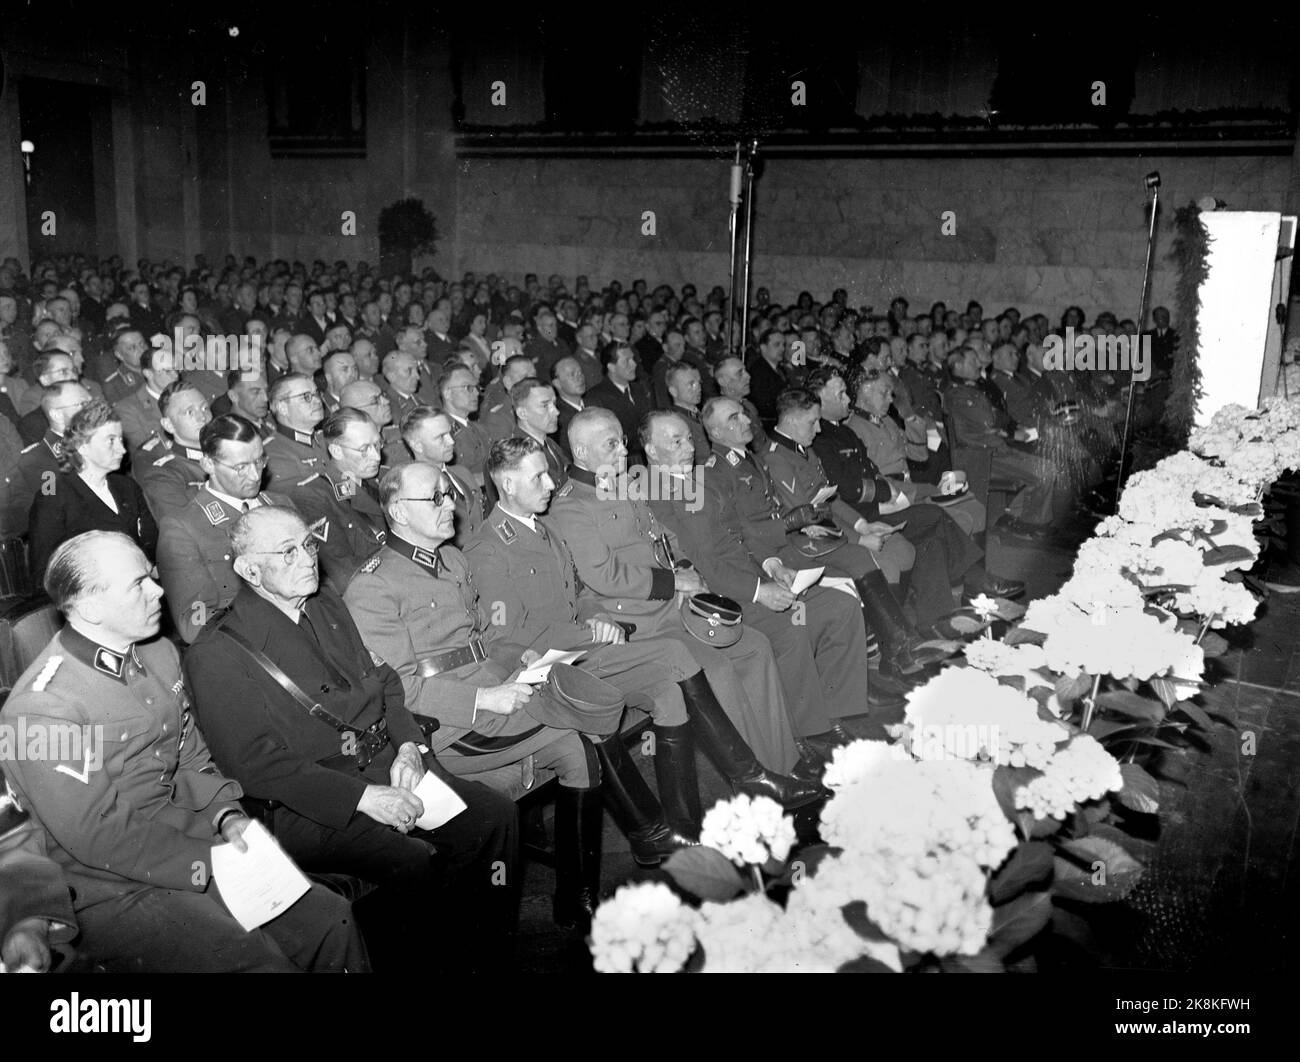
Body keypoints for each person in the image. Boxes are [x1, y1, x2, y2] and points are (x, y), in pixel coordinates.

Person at [1, 531, 367, 971]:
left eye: (152, 576)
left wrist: (226, 814)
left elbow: (190, 755)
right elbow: (99, 836)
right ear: (91, 606)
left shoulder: (156, 653)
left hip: (191, 838)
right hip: (109, 885)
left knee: (331, 920)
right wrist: (208, 862)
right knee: (259, 963)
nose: (158, 591)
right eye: (139, 584)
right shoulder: (42, 708)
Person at [185, 507, 518, 972]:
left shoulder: (325, 604)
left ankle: (482, 955)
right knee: (414, 861)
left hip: (385, 759)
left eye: (308, 544)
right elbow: (255, 766)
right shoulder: (218, 652)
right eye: (287, 552)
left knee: (494, 817)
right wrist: (364, 799)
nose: (306, 559)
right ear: (249, 569)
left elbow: (386, 684)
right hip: (309, 801)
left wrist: (408, 747)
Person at [343, 460, 633, 930]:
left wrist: (519, 667)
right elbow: (397, 691)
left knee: (582, 742)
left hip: (494, 685)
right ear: (397, 511)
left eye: (447, 493)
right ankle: (645, 835)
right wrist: (484, 700)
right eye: (433, 498)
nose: (449, 505)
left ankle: (575, 899)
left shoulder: (454, 560)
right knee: (585, 726)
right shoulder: (373, 585)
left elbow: (482, 639)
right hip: (446, 724)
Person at [548, 407, 822, 798]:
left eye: (622, 442)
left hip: (673, 607)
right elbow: (604, 575)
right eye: (611, 444)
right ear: (581, 450)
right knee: (717, 667)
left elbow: (665, 537)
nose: (623, 451)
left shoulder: (624, 484)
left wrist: (687, 571)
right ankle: (755, 784)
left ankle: (782, 765)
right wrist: (673, 581)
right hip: (636, 622)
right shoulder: (571, 505)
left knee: (755, 646)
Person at [642, 411, 889, 760]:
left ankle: (838, 711)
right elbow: (702, 563)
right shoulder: (653, 496)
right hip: (719, 595)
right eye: (675, 442)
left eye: (688, 439)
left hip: (752, 574)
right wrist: (759, 590)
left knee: (839, 607)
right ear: (652, 451)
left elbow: (741, 531)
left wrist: (772, 563)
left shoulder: (703, 479)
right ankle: (809, 730)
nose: (688, 448)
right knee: (790, 629)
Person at [157, 414, 291, 642]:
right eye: (241, 467)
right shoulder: (183, 529)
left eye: (259, 461)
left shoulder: (283, 504)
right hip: (255, 643)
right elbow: (194, 622)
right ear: (208, 464)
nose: (255, 475)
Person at [28, 400, 158, 583]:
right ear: (82, 447)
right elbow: (45, 574)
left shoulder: (127, 486)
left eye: (121, 440)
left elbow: (150, 546)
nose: (122, 450)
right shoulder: (53, 497)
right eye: (111, 441)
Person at [281, 407, 387, 593]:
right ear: (337, 451)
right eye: (364, 449)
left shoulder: (379, 481)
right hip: (370, 593)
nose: (376, 456)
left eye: (378, 445)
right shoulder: (314, 495)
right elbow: (343, 572)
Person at [402, 406, 485, 547]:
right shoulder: (411, 489)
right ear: (417, 445)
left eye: (450, 433)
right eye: (441, 437)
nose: (451, 441)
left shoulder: (462, 473)